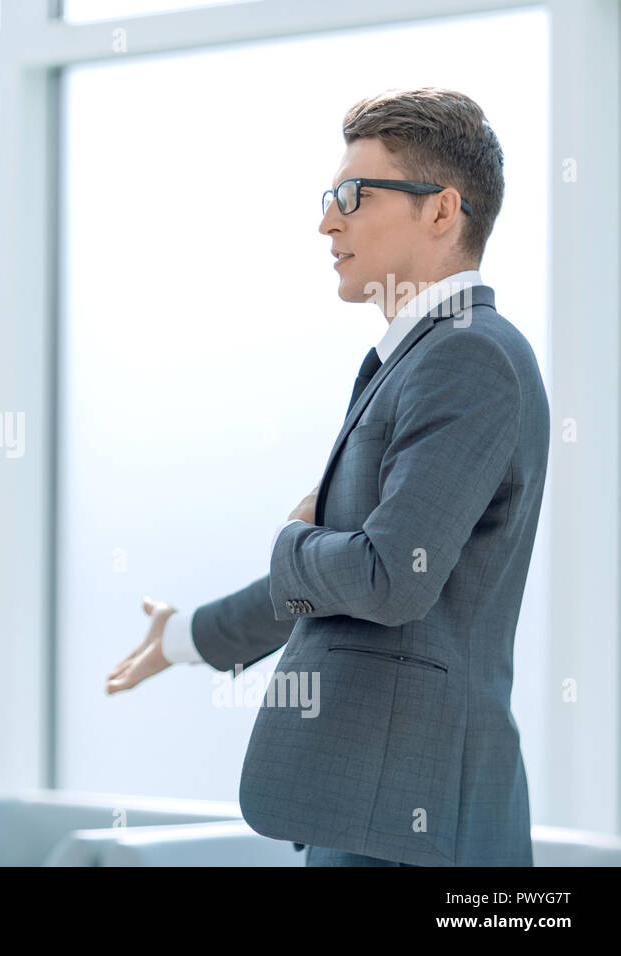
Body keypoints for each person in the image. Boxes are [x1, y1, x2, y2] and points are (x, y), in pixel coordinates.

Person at [107, 88, 548, 867]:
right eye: (329, 198)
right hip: (379, 811)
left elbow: (385, 579)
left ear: (441, 211)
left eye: (353, 195)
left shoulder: (466, 358)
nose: (326, 221)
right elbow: (337, 588)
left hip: (415, 820)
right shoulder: (420, 359)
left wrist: (294, 543)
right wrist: (183, 639)